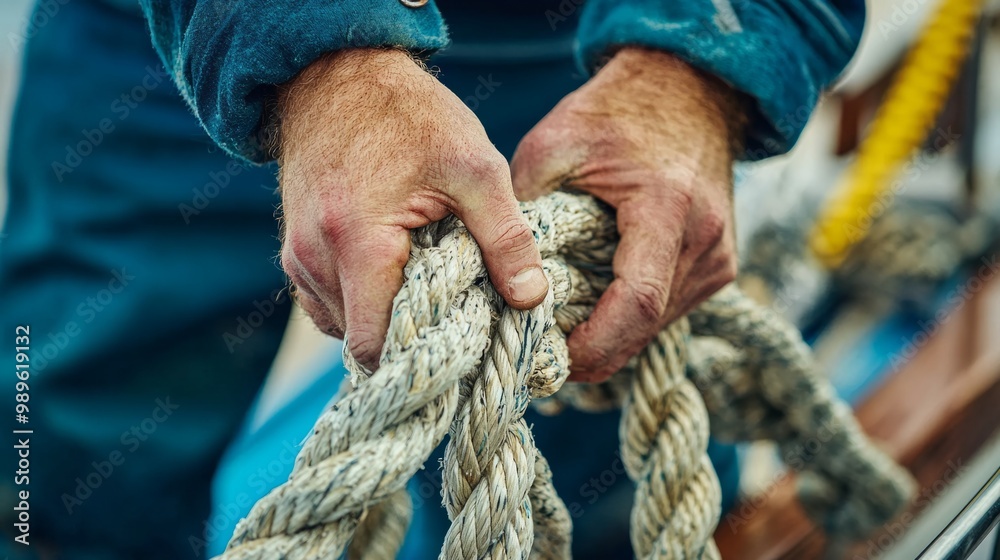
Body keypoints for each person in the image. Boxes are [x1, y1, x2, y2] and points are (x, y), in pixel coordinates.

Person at [0, 0, 864, 558]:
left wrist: (707, 59)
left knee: (587, 461)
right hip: (176, 35)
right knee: (63, 455)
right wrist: (318, 58)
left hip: (587, 44)